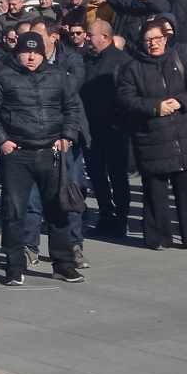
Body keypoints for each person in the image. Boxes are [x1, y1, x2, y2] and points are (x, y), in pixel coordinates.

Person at [0, 30, 83, 286]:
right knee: (13, 211)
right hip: (17, 153)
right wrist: (1, 140)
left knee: (58, 209)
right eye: (26, 52)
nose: (31, 57)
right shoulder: (1, 77)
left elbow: (72, 107)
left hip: (52, 151)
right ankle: (14, 267)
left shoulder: (58, 76)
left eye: (36, 52)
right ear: (17, 52)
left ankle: (63, 264)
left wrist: (67, 135)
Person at [114, 14, 187, 250]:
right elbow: (126, 99)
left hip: (183, 137)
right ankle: (158, 238)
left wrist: (181, 101)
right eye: (148, 40)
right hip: (151, 137)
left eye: (157, 38)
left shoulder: (181, 57)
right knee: (155, 192)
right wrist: (155, 107)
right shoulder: (132, 68)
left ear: (165, 39)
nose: (153, 43)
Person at [78, 19, 132, 238]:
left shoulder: (122, 61)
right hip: (91, 129)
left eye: (90, 35)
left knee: (118, 176)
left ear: (105, 37)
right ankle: (106, 214)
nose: (86, 38)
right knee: (97, 176)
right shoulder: (87, 60)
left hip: (114, 128)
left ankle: (121, 218)